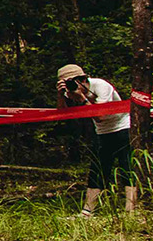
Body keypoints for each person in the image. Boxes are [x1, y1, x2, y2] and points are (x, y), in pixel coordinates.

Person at [56, 63, 137, 216]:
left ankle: (130, 211)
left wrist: (81, 98)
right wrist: (61, 95)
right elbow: (62, 114)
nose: (70, 86)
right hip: (102, 132)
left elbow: (100, 116)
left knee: (127, 167)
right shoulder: (69, 92)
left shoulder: (101, 86)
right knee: (97, 169)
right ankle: (87, 211)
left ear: (83, 79)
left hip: (122, 127)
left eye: (72, 82)